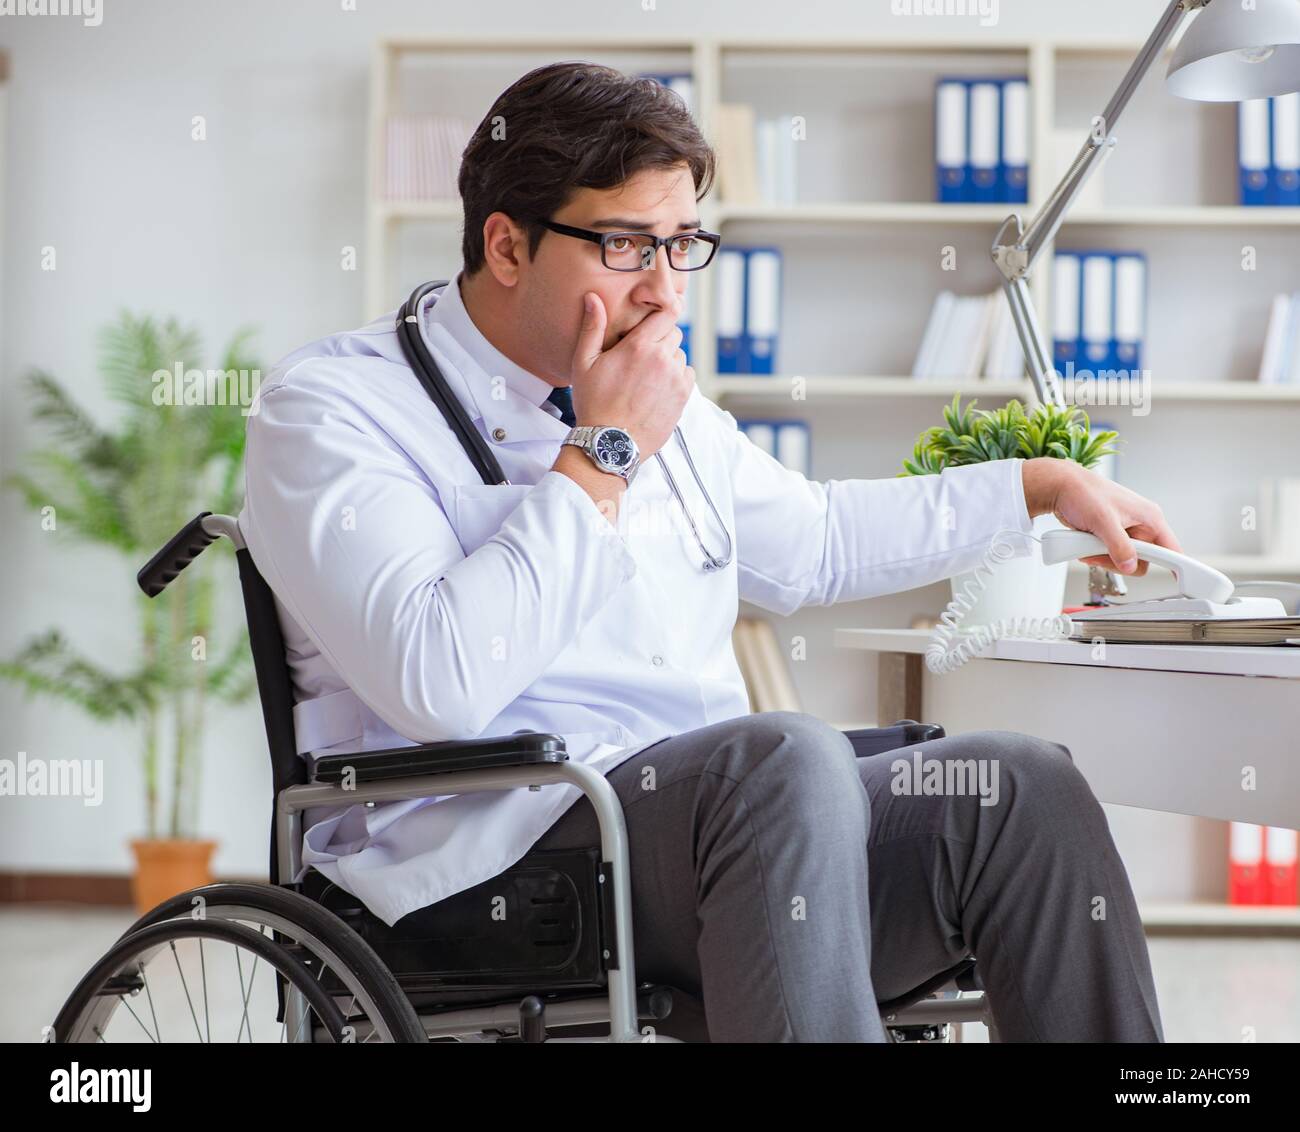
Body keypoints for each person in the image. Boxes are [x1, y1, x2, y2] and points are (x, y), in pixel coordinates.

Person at [240, 61, 1177, 1042]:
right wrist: (603, 453)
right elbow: (437, 679)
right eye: (625, 247)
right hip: (486, 861)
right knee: (779, 759)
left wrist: (1033, 487)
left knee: (1022, 788)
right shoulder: (335, 408)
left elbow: (815, 541)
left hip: (736, 838)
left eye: (682, 247)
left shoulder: (657, 401)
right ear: (507, 245)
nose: (663, 292)